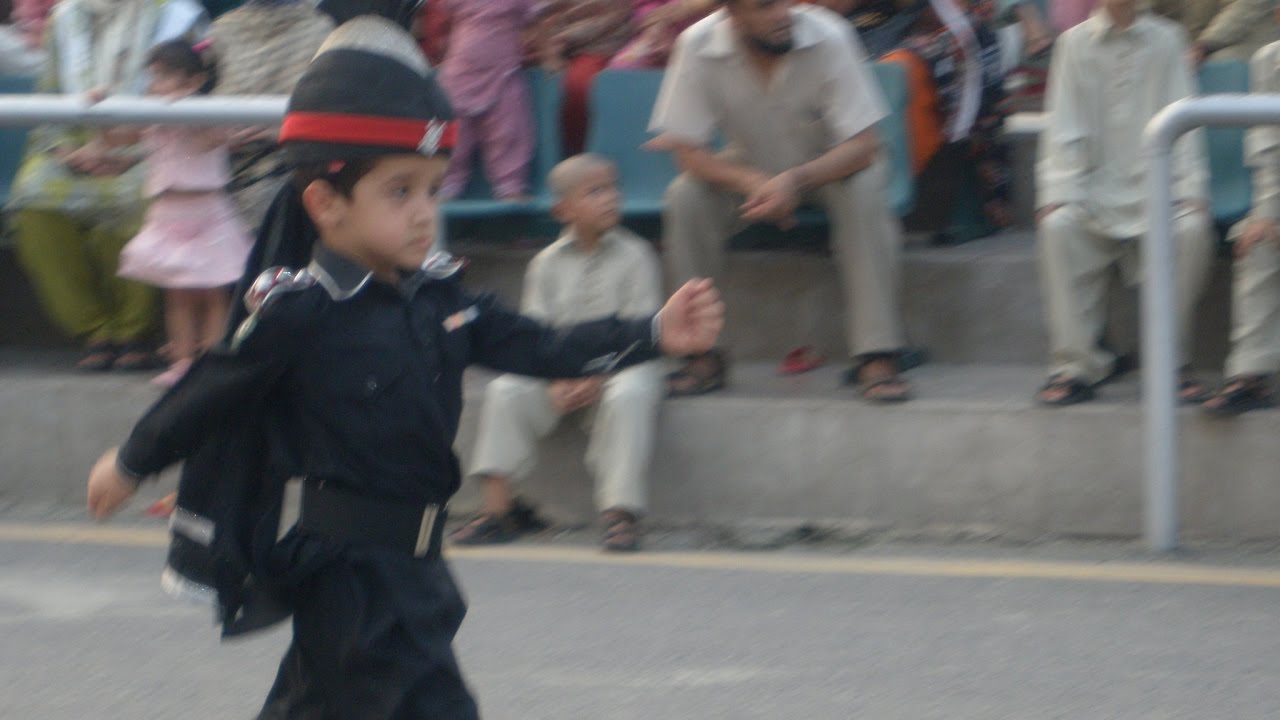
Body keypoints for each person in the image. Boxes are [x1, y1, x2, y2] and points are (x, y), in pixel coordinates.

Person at [84, 17, 723, 718]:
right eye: (399, 192)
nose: (424, 214)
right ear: (326, 205)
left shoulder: (439, 298)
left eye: (431, 189)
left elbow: (542, 346)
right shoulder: (303, 311)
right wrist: (131, 462)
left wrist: (657, 330)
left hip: (418, 571)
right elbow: (213, 388)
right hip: (351, 575)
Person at [648, 0, 912, 403]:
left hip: (833, 162)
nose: (783, 14)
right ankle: (700, 353)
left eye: (786, 2)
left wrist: (793, 181)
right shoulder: (696, 44)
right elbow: (688, 153)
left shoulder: (829, 34)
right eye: (766, 6)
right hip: (751, 161)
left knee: (864, 191)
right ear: (733, 15)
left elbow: (864, 146)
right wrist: (753, 181)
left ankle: (877, 354)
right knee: (685, 197)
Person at [454, 154, 664, 552]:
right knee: (506, 389)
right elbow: (534, 339)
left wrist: (597, 376)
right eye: (595, 191)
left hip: (622, 369)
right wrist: (556, 379)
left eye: (614, 189)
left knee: (631, 392)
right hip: (562, 374)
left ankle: (620, 514)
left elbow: (645, 337)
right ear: (562, 210)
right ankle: (498, 510)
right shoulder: (544, 264)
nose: (610, 199)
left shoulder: (638, 256)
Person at [7, 0, 208, 372]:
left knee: (147, 195)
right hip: (75, 150)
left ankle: (133, 332)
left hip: (152, 149)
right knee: (33, 199)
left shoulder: (178, 17)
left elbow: (193, 98)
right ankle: (96, 330)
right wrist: (64, 151)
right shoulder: (65, 18)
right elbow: (48, 98)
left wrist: (129, 152)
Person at [1034, 0, 1213, 406]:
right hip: (1096, 193)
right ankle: (1075, 365)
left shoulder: (1169, 40)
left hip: (1157, 193)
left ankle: (1170, 362)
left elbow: (1184, 125)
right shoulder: (1073, 44)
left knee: (1191, 228)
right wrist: (1059, 193)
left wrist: (1191, 191)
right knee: (1057, 225)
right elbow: (1063, 129)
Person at [117, 40, 253, 387]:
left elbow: (208, 139)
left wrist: (184, 107)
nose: (154, 85)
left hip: (208, 211)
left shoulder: (208, 115)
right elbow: (116, 135)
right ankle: (182, 362)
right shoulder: (149, 117)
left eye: (164, 76)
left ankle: (212, 362)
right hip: (167, 212)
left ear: (194, 81)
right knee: (177, 294)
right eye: (152, 77)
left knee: (212, 295)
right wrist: (98, 101)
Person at [1201, 37, 1280, 415]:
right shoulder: (1270, 58)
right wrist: (1268, 211)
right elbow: (1267, 143)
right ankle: (1250, 374)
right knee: (1258, 241)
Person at [208, 0, 333, 229]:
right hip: (222, 189)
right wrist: (219, 138)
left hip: (296, 183)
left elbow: (333, 110)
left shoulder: (321, 31)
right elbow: (194, 113)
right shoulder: (222, 32)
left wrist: (286, 132)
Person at [436, 0, 537, 200]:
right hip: (460, 73)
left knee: (509, 130)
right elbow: (442, 25)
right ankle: (447, 183)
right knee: (454, 132)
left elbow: (541, 22)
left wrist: (551, 55)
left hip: (503, 74)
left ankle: (510, 185)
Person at [527, 0, 635, 155]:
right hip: (544, 41)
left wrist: (561, 38)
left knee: (577, 86)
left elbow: (611, 16)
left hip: (597, 43)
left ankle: (578, 153)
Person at [1152, 0, 1279, 65]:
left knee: (1220, 61)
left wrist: (1203, 46)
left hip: (1248, 42)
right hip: (1193, 43)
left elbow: (1242, 11)